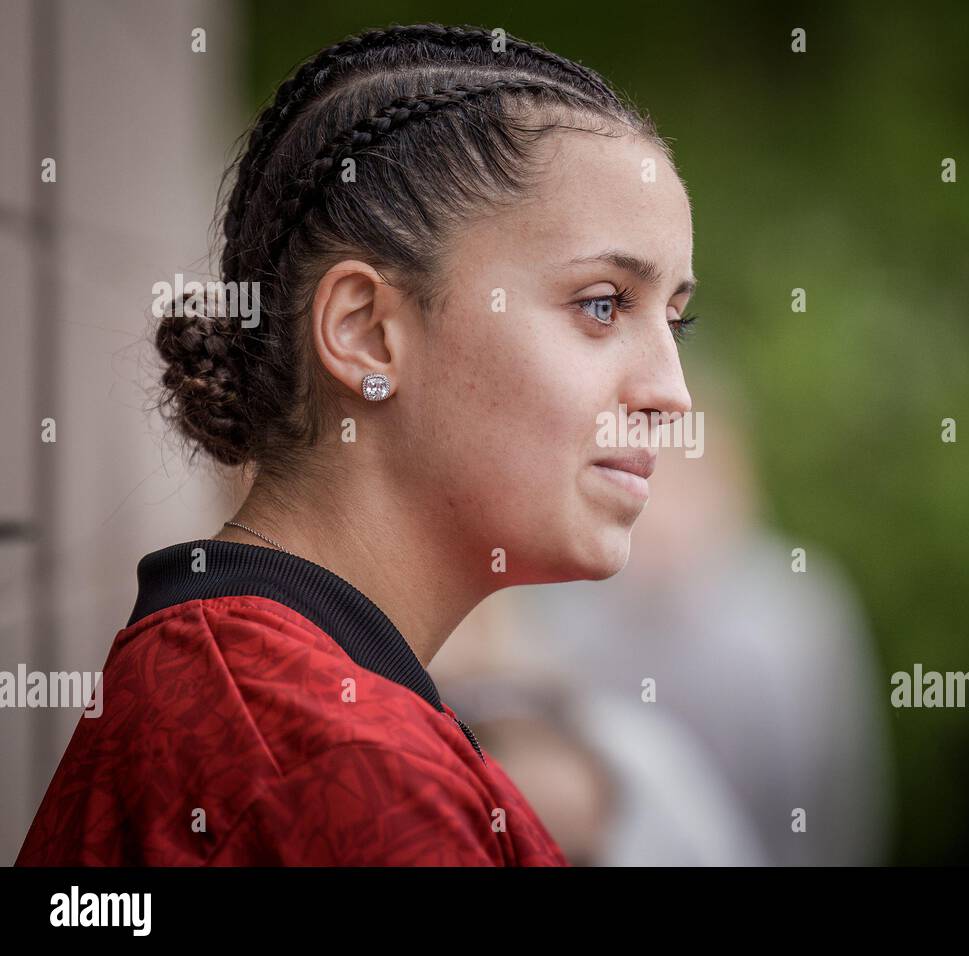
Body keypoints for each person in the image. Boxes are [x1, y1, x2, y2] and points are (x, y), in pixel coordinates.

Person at [15, 22, 698, 866]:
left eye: (676, 320)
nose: (672, 393)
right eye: (602, 304)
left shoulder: (258, 684)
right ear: (367, 333)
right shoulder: (341, 766)